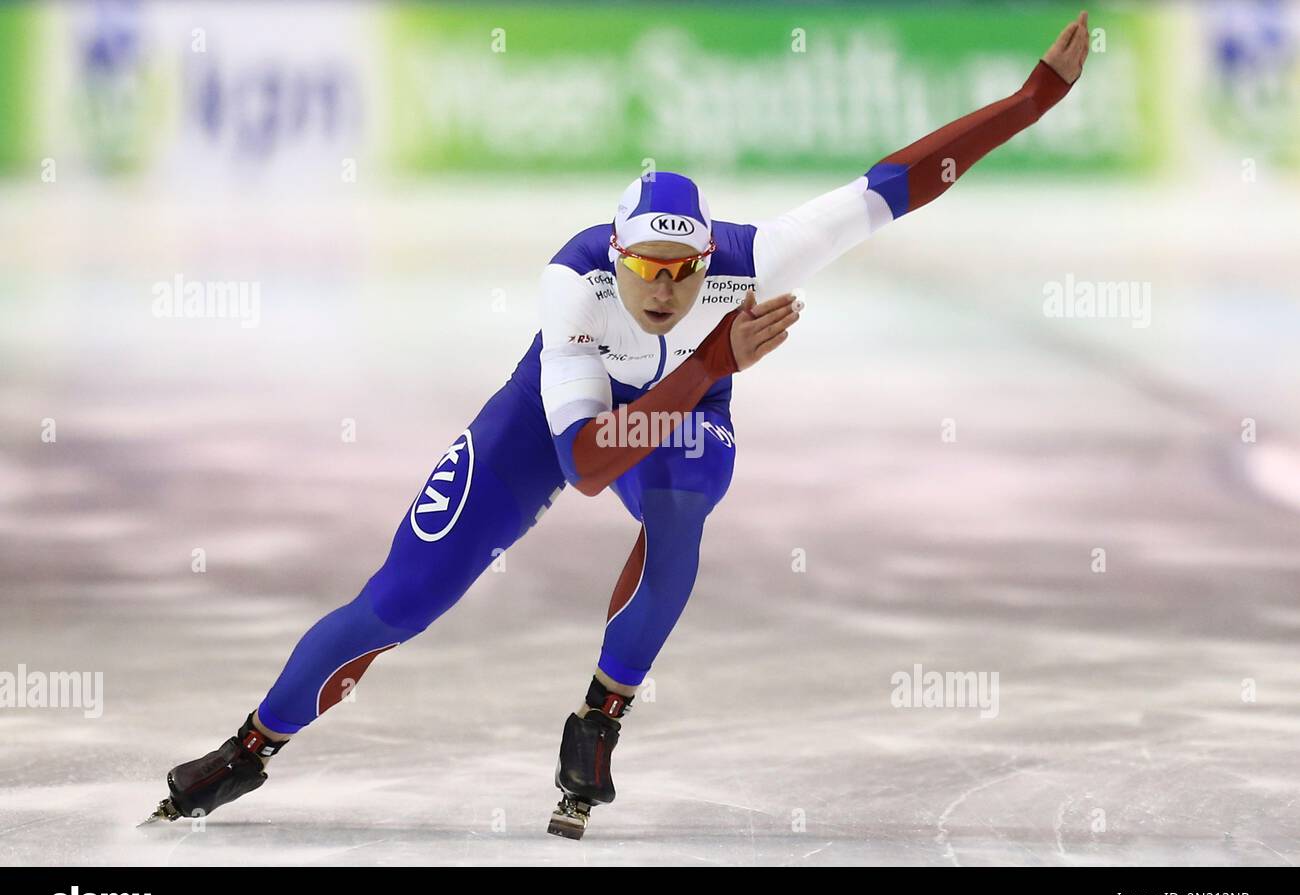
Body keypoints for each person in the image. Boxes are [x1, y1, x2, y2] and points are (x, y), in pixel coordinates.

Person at [146, 13, 1091, 839]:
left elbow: (898, 181)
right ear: (619, 257)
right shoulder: (576, 284)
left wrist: (1034, 97)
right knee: (401, 600)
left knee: (679, 523)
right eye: (647, 270)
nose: (666, 292)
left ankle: (598, 721)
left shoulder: (756, 260)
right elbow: (589, 465)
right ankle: (248, 747)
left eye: (683, 272)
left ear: (709, 256)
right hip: (554, 422)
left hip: (684, 419)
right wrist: (716, 359)